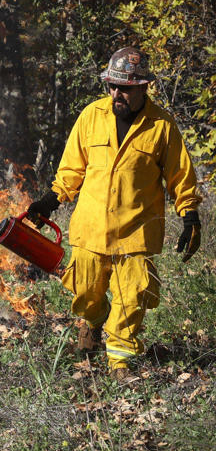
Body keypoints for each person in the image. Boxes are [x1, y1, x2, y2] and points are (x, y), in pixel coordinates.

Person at [27, 47, 202, 381]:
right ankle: (94, 321)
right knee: (86, 291)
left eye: (125, 87)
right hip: (91, 228)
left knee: (132, 297)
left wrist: (189, 214)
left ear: (143, 87)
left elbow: (180, 175)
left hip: (136, 231)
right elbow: (71, 170)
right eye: (112, 86)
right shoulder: (91, 116)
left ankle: (119, 363)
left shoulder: (162, 126)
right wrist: (50, 200)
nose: (117, 93)